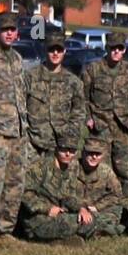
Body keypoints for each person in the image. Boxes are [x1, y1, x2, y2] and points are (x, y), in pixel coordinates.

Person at [83, 31, 128, 230]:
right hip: (100, 129)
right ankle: (100, 210)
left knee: (125, 172)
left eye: (120, 48)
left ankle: (124, 211)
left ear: (124, 50)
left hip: (122, 129)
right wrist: (88, 117)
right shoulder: (93, 69)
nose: (116, 52)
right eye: (112, 48)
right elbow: (81, 96)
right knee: (99, 170)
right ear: (107, 49)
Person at [19, 137, 123, 244]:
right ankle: (58, 240)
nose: (68, 154)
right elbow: (23, 192)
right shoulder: (41, 167)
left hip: (60, 215)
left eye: (72, 151)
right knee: (83, 223)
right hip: (38, 218)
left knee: (88, 220)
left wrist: (81, 209)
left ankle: (66, 239)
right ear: (56, 149)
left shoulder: (67, 170)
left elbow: (67, 196)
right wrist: (47, 208)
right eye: (64, 150)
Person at [0, 10, 31, 239]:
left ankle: (5, 229)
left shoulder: (16, 58)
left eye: (12, 29)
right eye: (5, 29)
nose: (9, 33)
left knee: (14, 182)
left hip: (18, 130)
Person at [25, 28, 86, 158]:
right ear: (45, 50)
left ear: (64, 51)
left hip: (61, 146)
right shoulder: (30, 77)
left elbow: (79, 113)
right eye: (51, 49)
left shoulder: (73, 82)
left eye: (59, 50)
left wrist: (69, 138)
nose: (55, 53)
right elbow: (21, 108)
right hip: (32, 145)